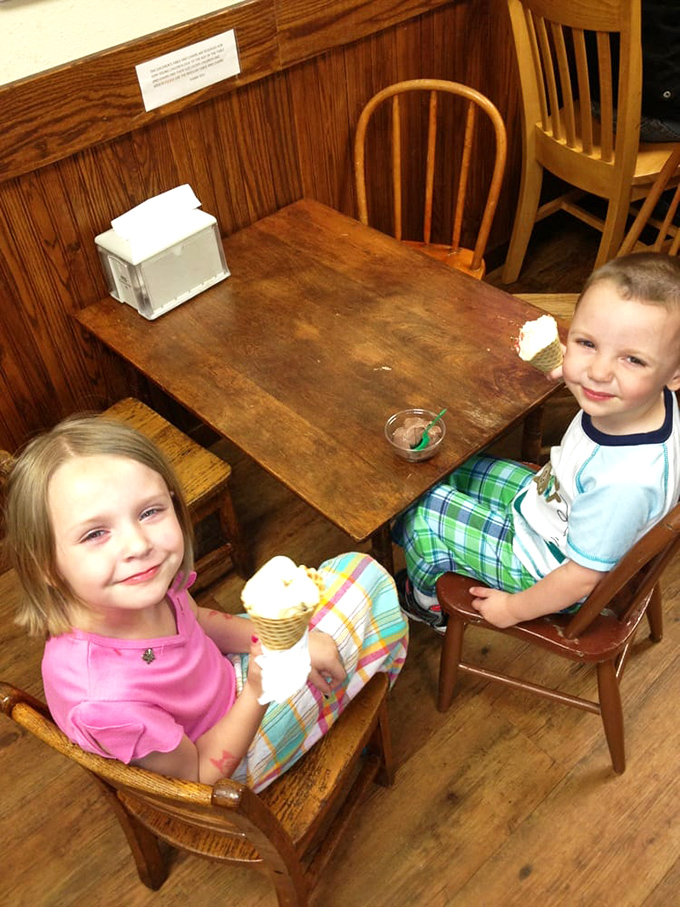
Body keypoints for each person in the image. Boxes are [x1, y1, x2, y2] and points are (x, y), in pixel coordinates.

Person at [3, 415, 408, 792]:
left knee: (349, 570)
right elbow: (199, 775)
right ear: (45, 564)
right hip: (227, 757)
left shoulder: (137, 587)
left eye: (149, 512)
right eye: (95, 534)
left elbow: (196, 620)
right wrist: (257, 691)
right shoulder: (105, 703)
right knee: (368, 580)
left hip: (229, 681)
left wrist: (284, 643)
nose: (140, 545)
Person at [392, 252, 680, 632]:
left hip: (547, 567)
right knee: (448, 469)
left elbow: (581, 577)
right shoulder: (645, 399)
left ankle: (426, 605)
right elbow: (601, 372)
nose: (596, 372)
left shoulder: (625, 483)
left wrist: (514, 609)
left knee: (422, 515)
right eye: (587, 343)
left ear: (674, 373)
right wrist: (568, 371)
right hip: (551, 504)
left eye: (633, 360)